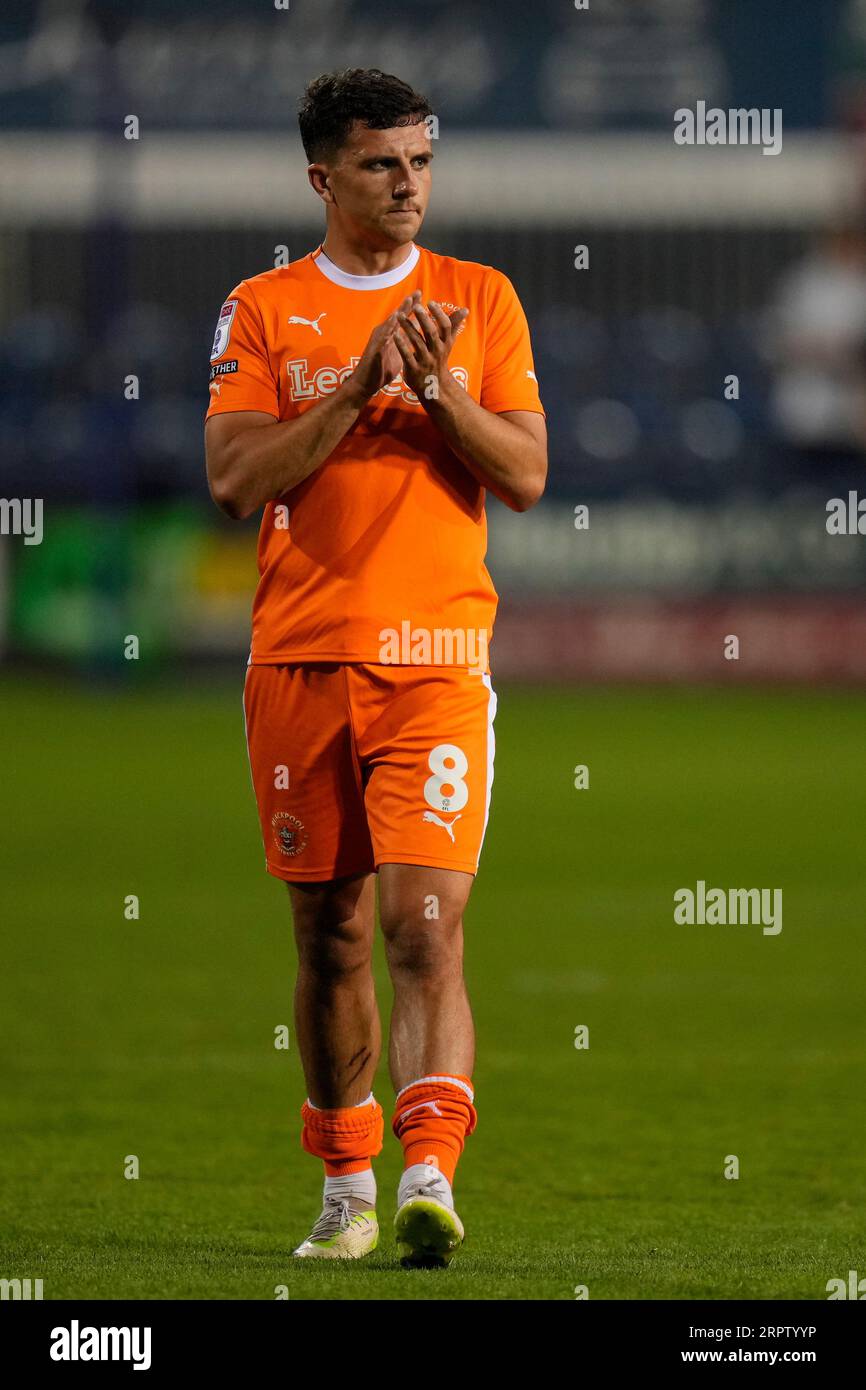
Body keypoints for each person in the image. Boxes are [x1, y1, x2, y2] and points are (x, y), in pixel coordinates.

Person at [204, 67, 547, 1267]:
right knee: (328, 937)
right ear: (322, 177)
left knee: (420, 926)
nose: (409, 185)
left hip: (435, 660)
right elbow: (239, 480)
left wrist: (433, 385)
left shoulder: (477, 298)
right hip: (297, 658)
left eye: (421, 162)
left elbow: (522, 472)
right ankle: (344, 1187)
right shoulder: (261, 308)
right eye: (380, 165)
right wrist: (357, 386)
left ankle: (427, 1179)